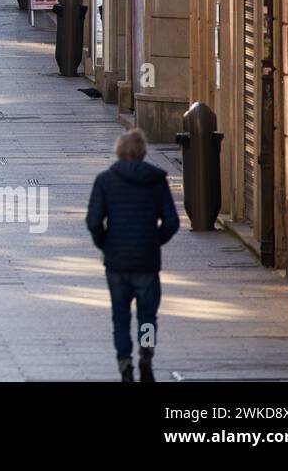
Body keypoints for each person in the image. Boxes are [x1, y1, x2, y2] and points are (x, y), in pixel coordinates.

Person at [86, 128, 179, 382]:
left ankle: (125, 363)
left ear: (119, 151)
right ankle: (146, 353)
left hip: (117, 262)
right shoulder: (156, 180)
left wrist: (105, 244)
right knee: (147, 316)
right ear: (142, 152)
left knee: (120, 315)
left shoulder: (105, 180)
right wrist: (154, 241)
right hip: (147, 262)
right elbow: (172, 222)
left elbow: (94, 221)